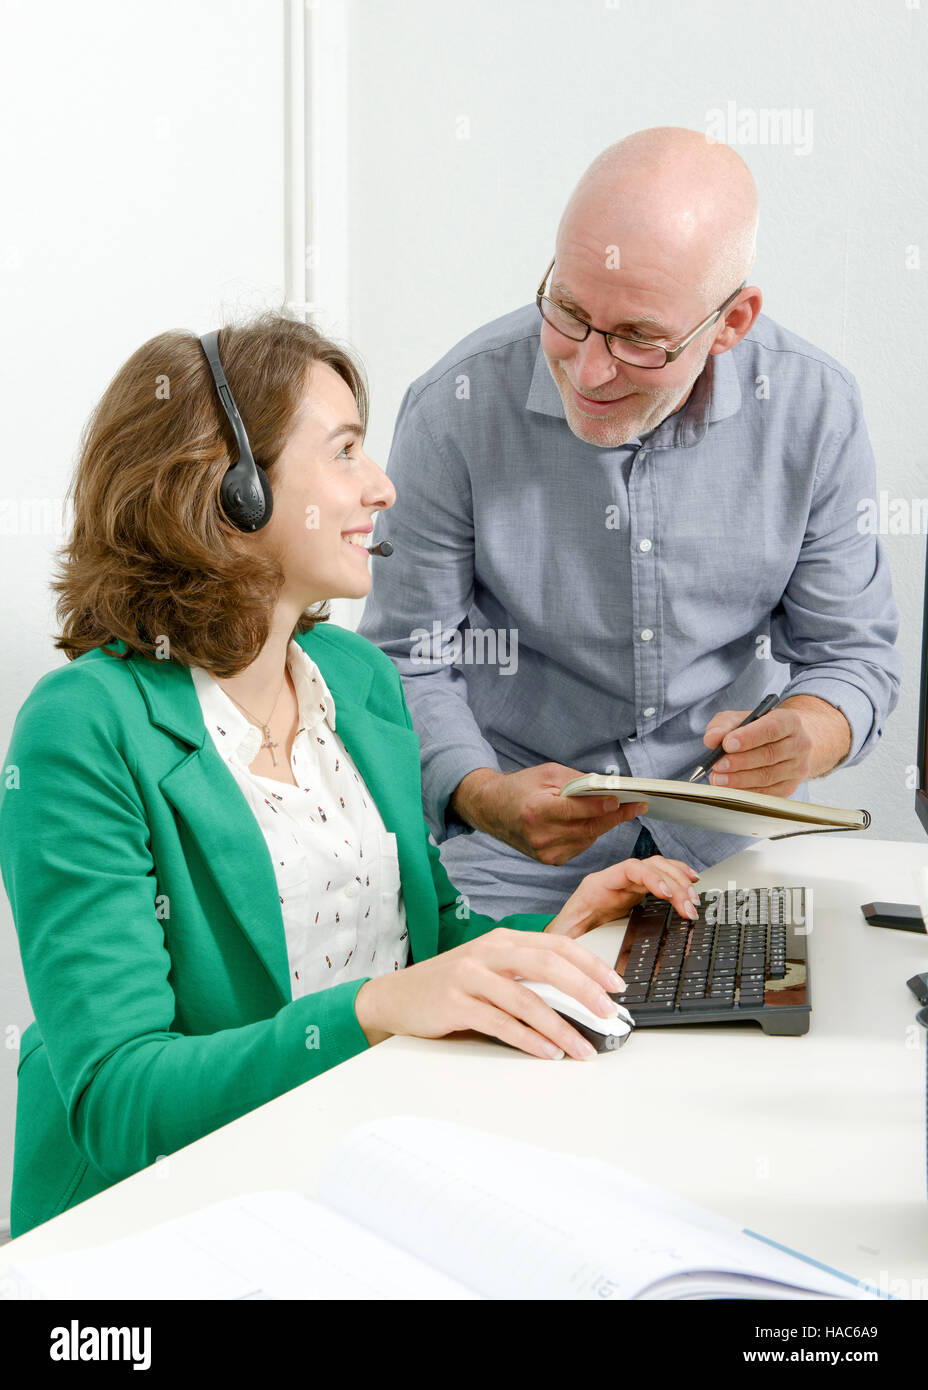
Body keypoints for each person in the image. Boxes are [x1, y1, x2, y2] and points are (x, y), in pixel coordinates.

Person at [0, 313, 702, 1237]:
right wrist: (369, 1014)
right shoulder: (83, 728)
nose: (382, 485)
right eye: (343, 453)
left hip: (367, 1169)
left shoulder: (356, 680)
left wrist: (559, 929)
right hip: (177, 1224)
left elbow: (429, 936)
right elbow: (121, 1101)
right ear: (231, 489)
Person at [357, 126, 902, 917]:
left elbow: (852, 655)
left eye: (639, 338)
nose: (588, 368)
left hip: (736, 851)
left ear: (732, 322)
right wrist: (480, 795)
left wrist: (810, 734)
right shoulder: (456, 407)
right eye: (569, 312)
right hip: (518, 861)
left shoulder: (814, 409)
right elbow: (405, 658)